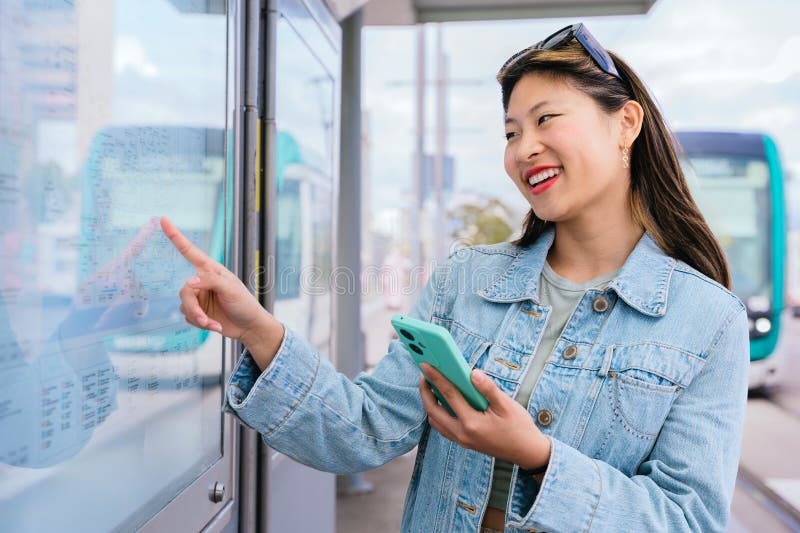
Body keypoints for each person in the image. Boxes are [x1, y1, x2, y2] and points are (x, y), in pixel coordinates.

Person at [161, 23, 749, 533]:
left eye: (546, 120)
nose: (525, 149)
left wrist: (540, 459)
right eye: (512, 132)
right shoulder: (466, 279)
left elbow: (688, 519)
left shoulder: (709, 320)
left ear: (626, 124)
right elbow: (363, 429)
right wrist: (257, 329)